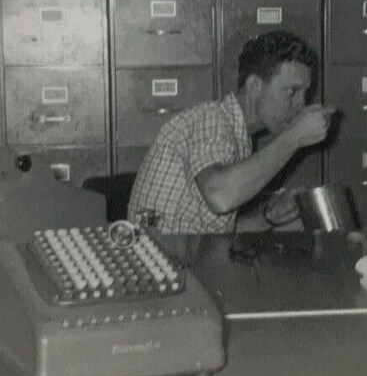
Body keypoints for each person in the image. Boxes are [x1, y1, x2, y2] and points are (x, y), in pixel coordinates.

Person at [128, 30, 333, 234]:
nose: (301, 104)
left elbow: (216, 231)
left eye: (305, 93)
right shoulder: (211, 119)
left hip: (184, 254)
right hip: (163, 261)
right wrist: (294, 137)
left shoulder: (238, 135)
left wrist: (268, 217)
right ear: (254, 85)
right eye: (292, 91)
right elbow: (220, 196)